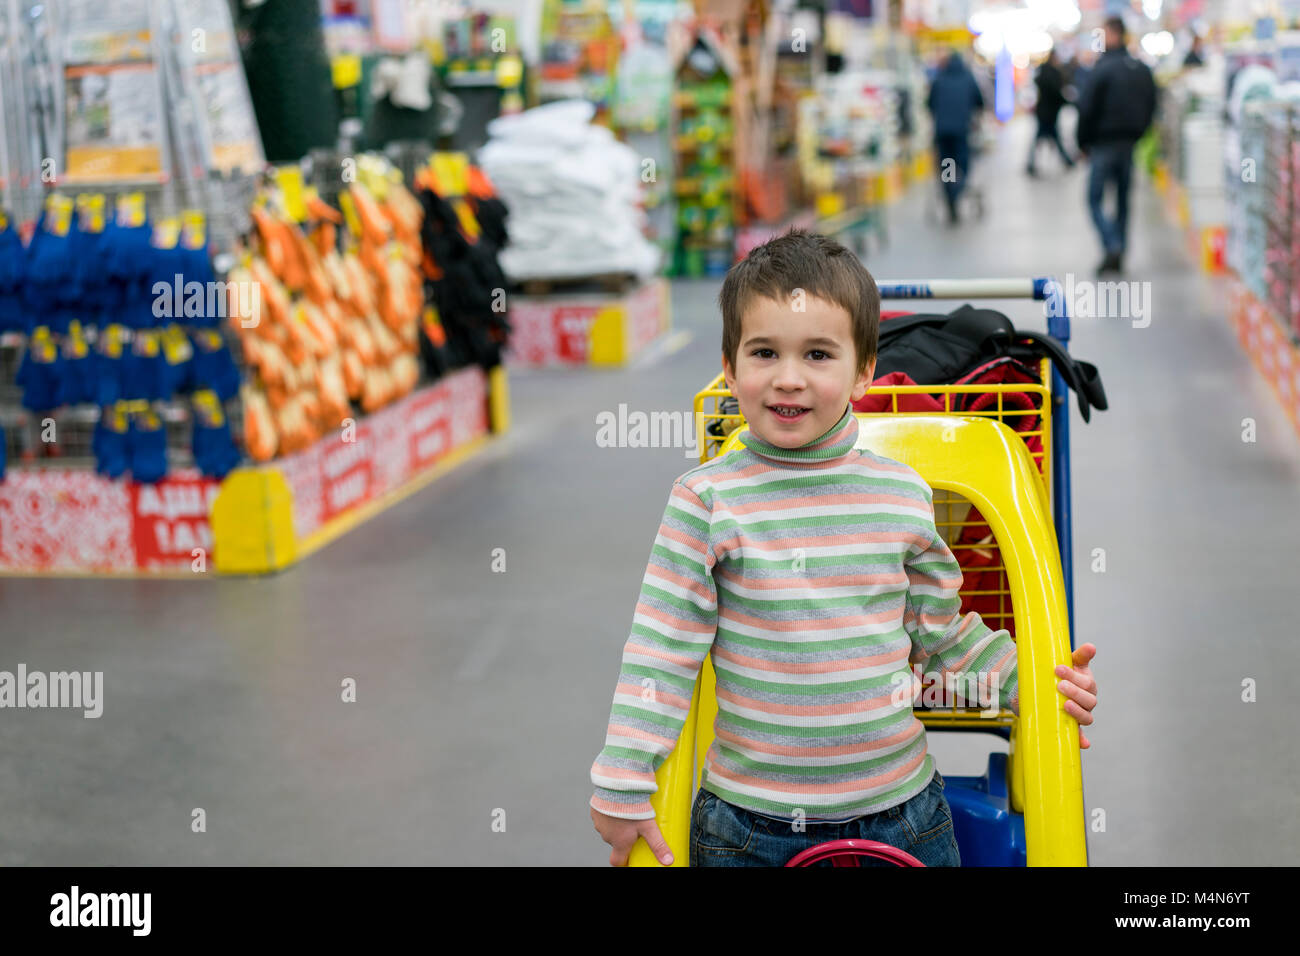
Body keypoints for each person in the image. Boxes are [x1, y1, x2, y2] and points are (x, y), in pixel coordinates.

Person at [588, 230, 1100, 867]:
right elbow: (662, 646)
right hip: (747, 828)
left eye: (819, 355)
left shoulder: (901, 494)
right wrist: (623, 777)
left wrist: (1039, 684)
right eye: (765, 352)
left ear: (863, 371)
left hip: (902, 816)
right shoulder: (707, 499)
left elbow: (939, 634)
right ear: (730, 365)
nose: (789, 378)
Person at [1076, 16, 1157, 276]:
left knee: (1093, 198)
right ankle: (1118, 248)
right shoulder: (1140, 69)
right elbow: (1152, 104)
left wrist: (1082, 142)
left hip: (1104, 144)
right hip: (1129, 144)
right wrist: (1140, 133)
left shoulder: (1101, 69)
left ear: (1113, 34)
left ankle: (1113, 245)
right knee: (1123, 199)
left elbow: (1086, 108)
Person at [927, 50, 985, 224]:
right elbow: (979, 102)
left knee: (948, 165)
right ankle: (958, 190)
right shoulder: (968, 78)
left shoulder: (939, 79)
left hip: (943, 132)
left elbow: (929, 104)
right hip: (961, 131)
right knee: (964, 164)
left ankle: (950, 195)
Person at [1027, 47, 1076, 175]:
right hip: (1049, 113)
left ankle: (1031, 164)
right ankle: (1066, 160)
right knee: (1051, 137)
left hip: (1044, 111)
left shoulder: (1042, 72)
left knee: (1044, 138)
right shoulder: (1052, 73)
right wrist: (1068, 102)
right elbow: (1055, 92)